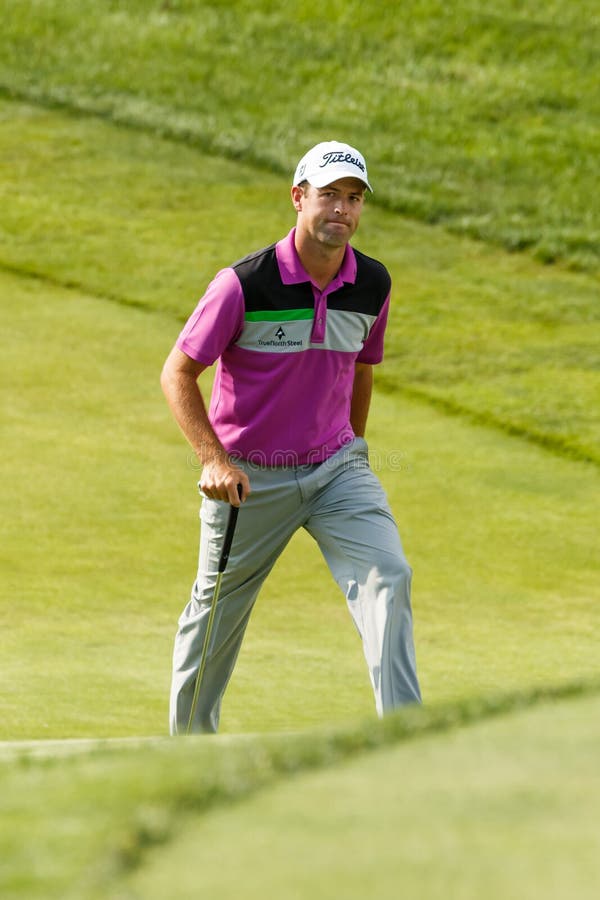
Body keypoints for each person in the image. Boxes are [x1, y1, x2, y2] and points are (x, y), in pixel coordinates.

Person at [161, 140, 421, 734]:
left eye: (354, 199)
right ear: (298, 197)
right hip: (248, 480)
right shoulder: (242, 285)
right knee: (216, 616)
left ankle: (406, 740)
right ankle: (187, 754)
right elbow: (177, 372)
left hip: (336, 468)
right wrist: (213, 459)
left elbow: (360, 367)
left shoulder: (372, 284)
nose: (343, 209)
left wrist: (354, 447)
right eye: (330, 195)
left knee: (390, 575)